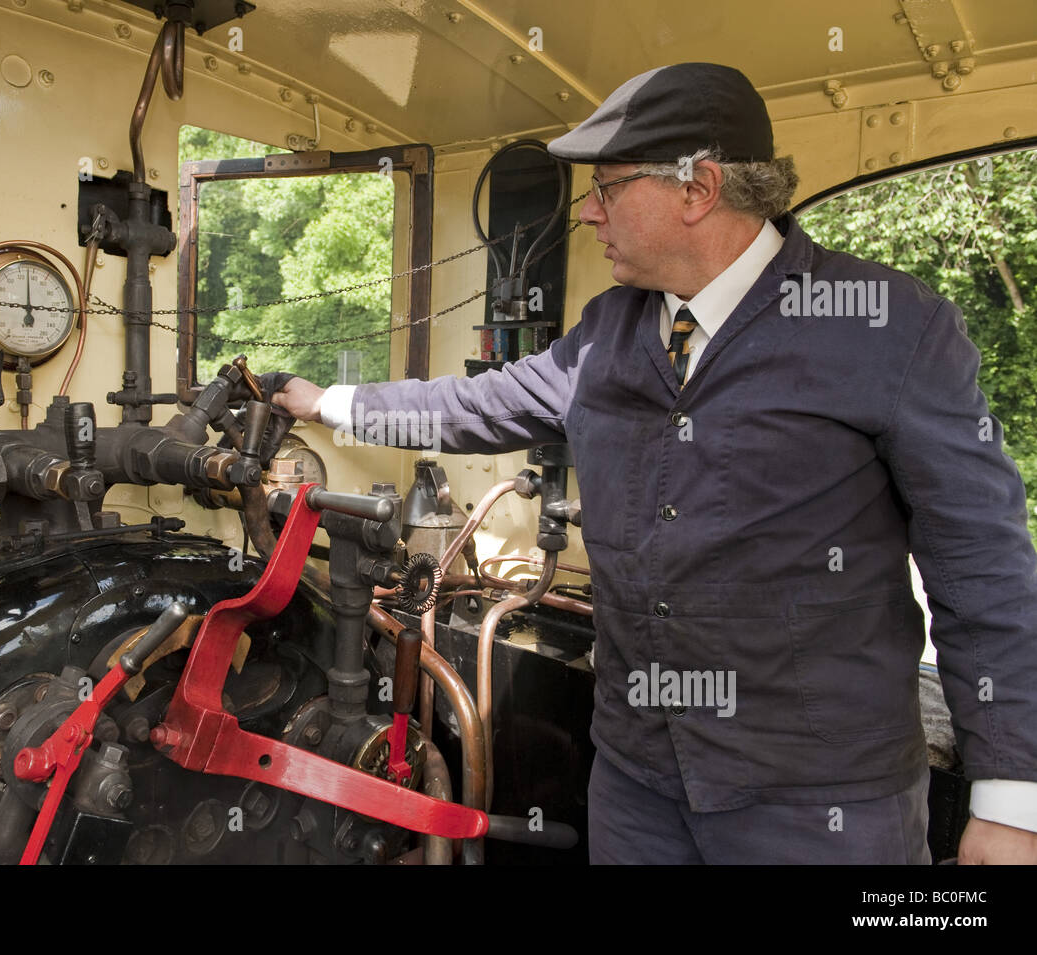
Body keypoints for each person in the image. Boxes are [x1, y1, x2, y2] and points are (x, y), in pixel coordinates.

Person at [271, 62, 1037, 864]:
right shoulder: (609, 328)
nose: (590, 214)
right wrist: (331, 404)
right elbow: (479, 405)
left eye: (607, 188)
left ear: (697, 189)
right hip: (639, 780)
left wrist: (1011, 798)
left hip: (820, 802)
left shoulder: (891, 328)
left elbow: (982, 568)